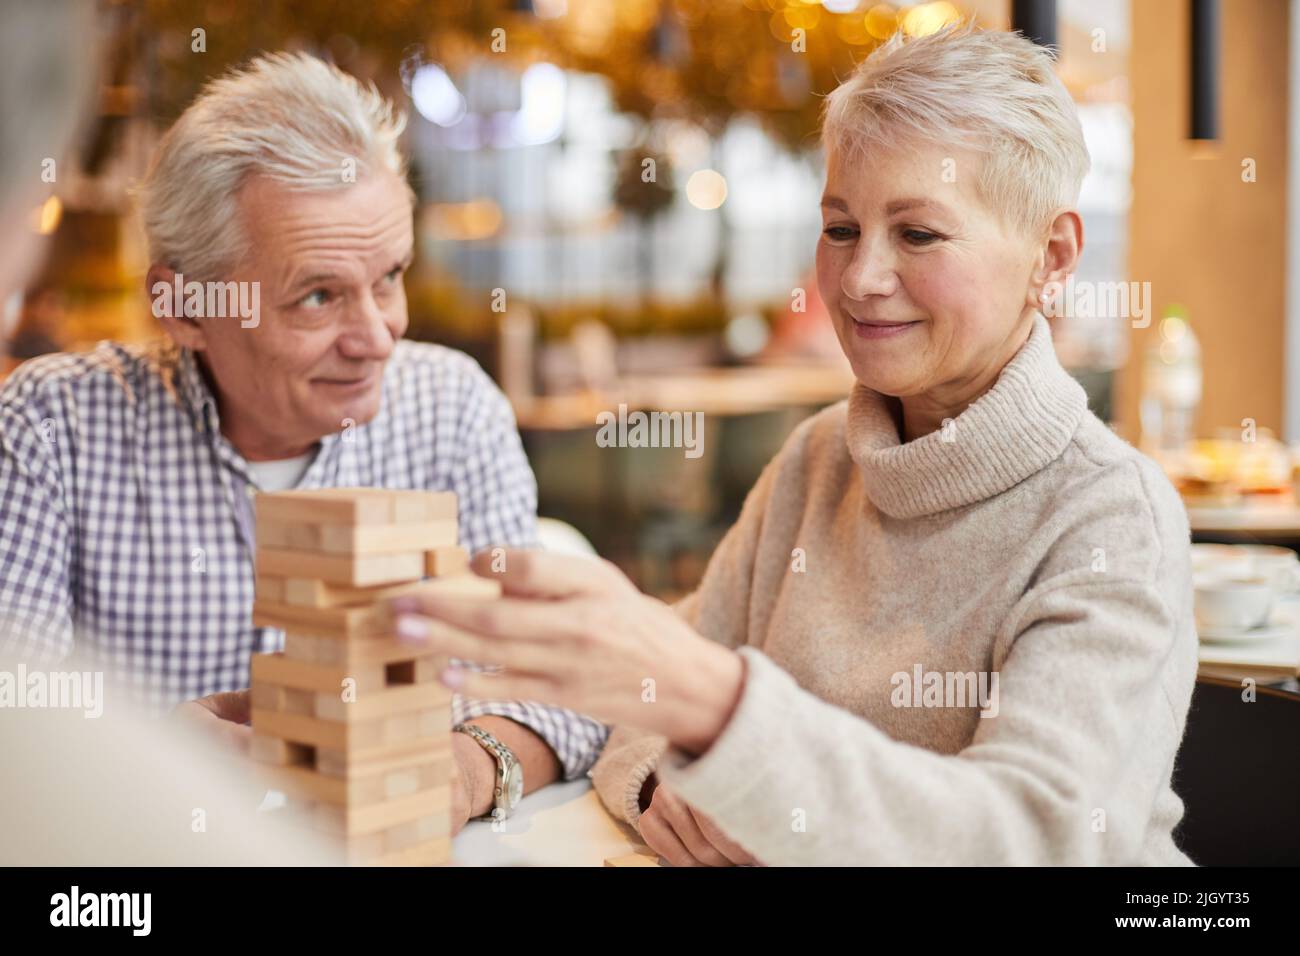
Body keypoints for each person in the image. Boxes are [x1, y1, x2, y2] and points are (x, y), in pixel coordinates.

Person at [387, 24, 1198, 865]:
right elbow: (638, 710)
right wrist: (668, 787)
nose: (860, 278)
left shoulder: (1112, 520)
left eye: (917, 234)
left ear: (1053, 257)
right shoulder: (819, 458)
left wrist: (721, 720)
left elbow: (1033, 837)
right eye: (841, 228)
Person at [0, 52, 607, 833]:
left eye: (389, 278)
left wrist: (463, 771)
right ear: (182, 307)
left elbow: (560, 685)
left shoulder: (452, 408)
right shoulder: (53, 430)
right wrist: (150, 756)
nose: (378, 336)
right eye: (318, 296)